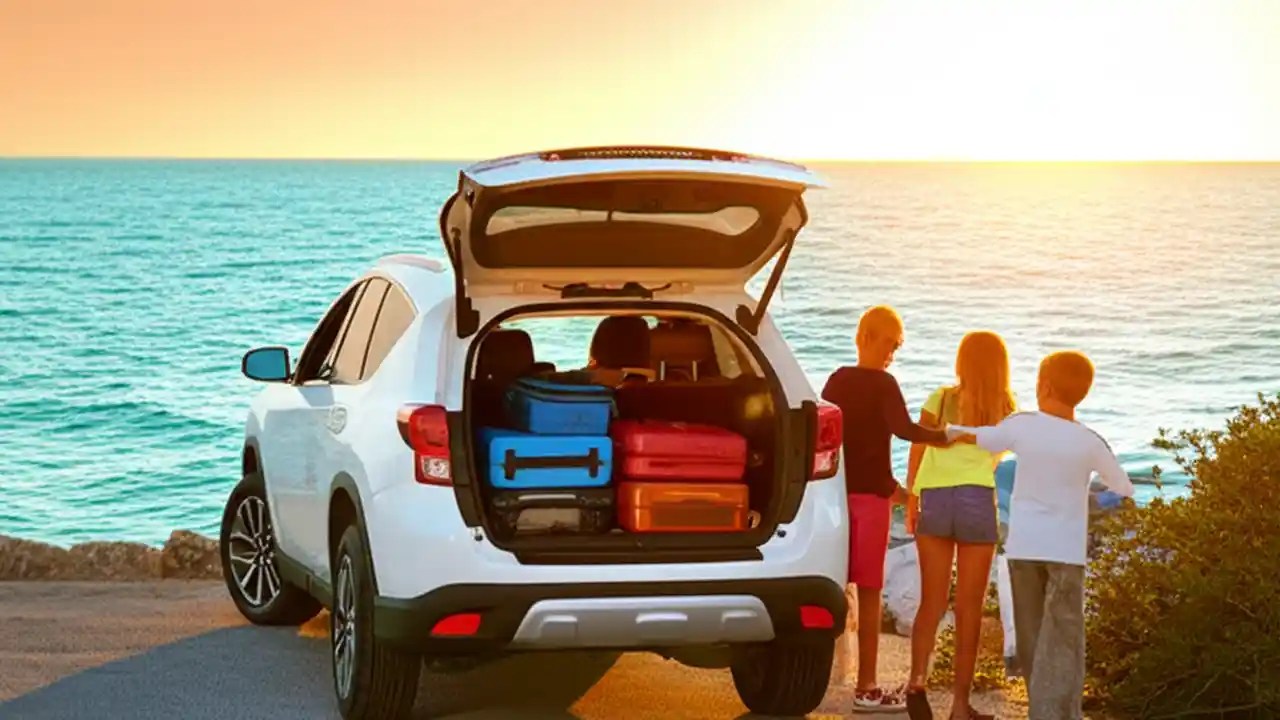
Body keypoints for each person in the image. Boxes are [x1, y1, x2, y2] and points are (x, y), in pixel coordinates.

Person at [946, 351, 1136, 720]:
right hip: (1066, 552)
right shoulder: (1089, 441)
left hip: (1024, 548)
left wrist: (948, 432)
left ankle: (1041, 710)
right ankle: (1060, 713)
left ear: (1044, 386)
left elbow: (983, 438)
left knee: (1031, 638)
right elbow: (1123, 487)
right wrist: (1090, 495)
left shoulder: (1023, 425)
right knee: (1064, 638)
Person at [820, 305, 951, 712]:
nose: (891, 354)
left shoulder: (836, 381)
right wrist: (947, 436)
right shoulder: (884, 384)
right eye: (888, 344)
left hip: (835, 497)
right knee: (870, 592)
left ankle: (825, 675)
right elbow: (905, 430)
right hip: (871, 501)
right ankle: (867, 687)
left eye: (896, 348)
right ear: (864, 337)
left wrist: (904, 493)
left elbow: (825, 433)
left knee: (832, 585)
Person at [904, 331, 1017, 720]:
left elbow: (917, 445)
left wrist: (912, 497)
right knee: (969, 609)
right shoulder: (1005, 407)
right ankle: (958, 707)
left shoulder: (939, 398)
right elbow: (1001, 451)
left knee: (932, 602)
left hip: (935, 498)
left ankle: (917, 681)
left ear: (961, 362)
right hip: (976, 500)